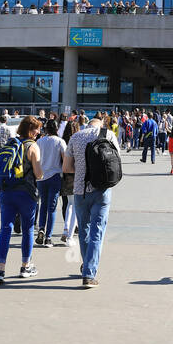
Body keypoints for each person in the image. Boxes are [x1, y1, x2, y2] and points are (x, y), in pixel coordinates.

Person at [62, 113, 121, 288]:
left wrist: (82, 170)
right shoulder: (109, 134)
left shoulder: (75, 136)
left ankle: (87, 265)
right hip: (102, 189)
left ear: (87, 124)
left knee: (84, 230)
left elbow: (66, 167)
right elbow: (116, 161)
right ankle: (89, 273)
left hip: (80, 190)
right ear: (101, 124)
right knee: (97, 231)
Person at [0, 116, 43, 284]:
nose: (38, 132)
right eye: (36, 129)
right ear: (30, 129)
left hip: (6, 192)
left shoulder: (11, 143)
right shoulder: (32, 146)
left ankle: (0, 270)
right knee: (28, 229)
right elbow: (38, 174)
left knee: (5, 229)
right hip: (25, 194)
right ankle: (25, 266)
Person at [34, 119, 66, 248]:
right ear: (57, 129)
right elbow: (65, 159)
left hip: (41, 177)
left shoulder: (40, 141)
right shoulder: (59, 141)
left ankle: (41, 228)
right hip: (55, 176)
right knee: (52, 208)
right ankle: (48, 237)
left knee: (43, 205)